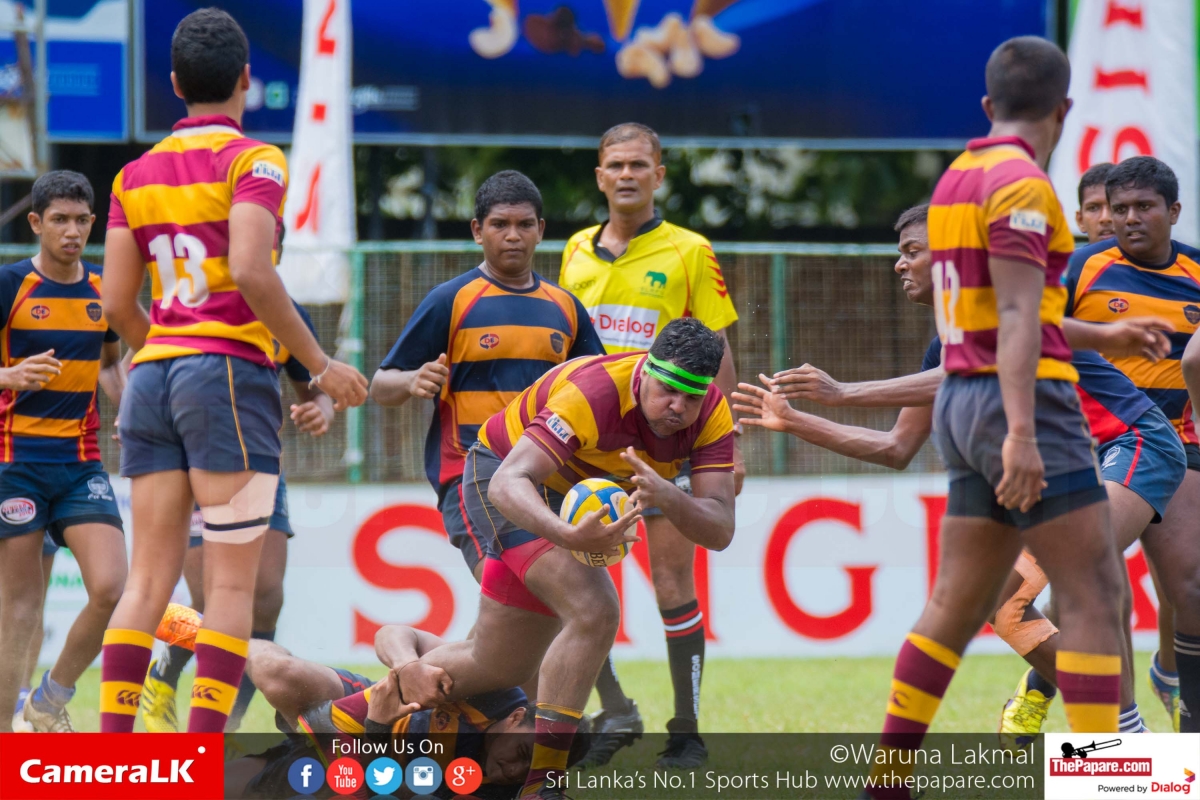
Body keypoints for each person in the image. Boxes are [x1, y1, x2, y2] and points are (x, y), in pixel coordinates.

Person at [737, 198, 1183, 745]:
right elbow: (897, 448)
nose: (900, 264)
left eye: (912, 252)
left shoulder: (1001, 310)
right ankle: (1124, 735)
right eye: (898, 254)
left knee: (1063, 591)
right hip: (1079, 468)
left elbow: (967, 371)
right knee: (1020, 603)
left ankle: (1120, 735)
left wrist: (842, 392)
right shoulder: (942, 344)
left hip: (1137, 445)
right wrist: (796, 422)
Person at [99, 8, 366, 733]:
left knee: (148, 582)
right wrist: (319, 363)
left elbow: (117, 302)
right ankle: (197, 757)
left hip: (153, 377)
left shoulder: (134, 173)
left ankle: (116, 759)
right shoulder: (256, 161)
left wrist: (164, 345)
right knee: (230, 588)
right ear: (247, 79)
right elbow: (251, 268)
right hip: (224, 376)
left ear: (176, 82)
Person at [394, 317, 736, 799]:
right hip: (501, 479)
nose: (678, 408)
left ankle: (352, 709)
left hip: (563, 498)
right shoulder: (594, 391)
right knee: (594, 609)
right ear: (644, 371)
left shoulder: (711, 413)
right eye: (667, 391)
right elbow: (508, 482)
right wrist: (569, 534)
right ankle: (543, 786)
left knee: (497, 665)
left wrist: (667, 494)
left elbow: (720, 529)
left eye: (692, 397)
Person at [559, 122, 743, 769]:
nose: (628, 174)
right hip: (586, 447)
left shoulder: (690, 250)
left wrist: (730, 445)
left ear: (660, 174)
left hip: (665, 444)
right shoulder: (575, 250)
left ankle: (686, 730)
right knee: (573, 581)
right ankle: (614, 707)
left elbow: (718, 353)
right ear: (600, 175)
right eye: (616, 164)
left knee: (670, 580)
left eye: (641, 163)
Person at [371, 171, 604, 582]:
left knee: (533, 614)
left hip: (546, 476)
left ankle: (408, 649)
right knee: (522, 592)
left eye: (524, 225)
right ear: (478, 231)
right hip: (471, 476)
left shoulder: (566, 308)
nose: (512, 235)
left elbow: (597, 391)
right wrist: (409, 381)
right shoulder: (450, 300)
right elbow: (380, 385)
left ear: (540, 231)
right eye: (500, 225)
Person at [140, 299, 335, 733]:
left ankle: (226, 724)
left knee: (265, 600)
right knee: (213, 600)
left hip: (261, 464)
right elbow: (142, 366)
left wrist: (321, 410)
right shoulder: (185, 303)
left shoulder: (288, 313)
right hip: (195, 464)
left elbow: (316, 390)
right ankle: (164, 677)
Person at [1066, 155, 1200, 731]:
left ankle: (1188, 718)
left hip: (1178, 440)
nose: (1128, 219)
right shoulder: (1082, 267)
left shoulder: (1196, 271)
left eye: (1144, 207)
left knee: (1190, 586)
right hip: (1090, 445)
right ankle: (1117, 730)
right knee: (1087, 581)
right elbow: (1015, 332)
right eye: (1118, 209)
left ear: (1172, 211)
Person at [0, 171, 129, 733]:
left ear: (93, 224)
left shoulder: (106, 294)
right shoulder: (9, 286)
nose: (71, 231)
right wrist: (9, 373)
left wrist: (130, 408)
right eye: (60, 220)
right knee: (21, 609)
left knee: (111, 588)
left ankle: (49, 700)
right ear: (36, 223)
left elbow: (111, 365)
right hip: (15, 465)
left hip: (81, 466)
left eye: (81, 221)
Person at [224, 626, 589, 800]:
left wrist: (377, 726)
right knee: (278, 675)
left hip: (362, 767)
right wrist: (408, 667)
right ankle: (216, 633)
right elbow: (395, 633)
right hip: (350, 719)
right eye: (522, 754)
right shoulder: (488, 687)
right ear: (514, 718)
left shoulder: (508, 793)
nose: (516, 771)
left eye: (531, 769)